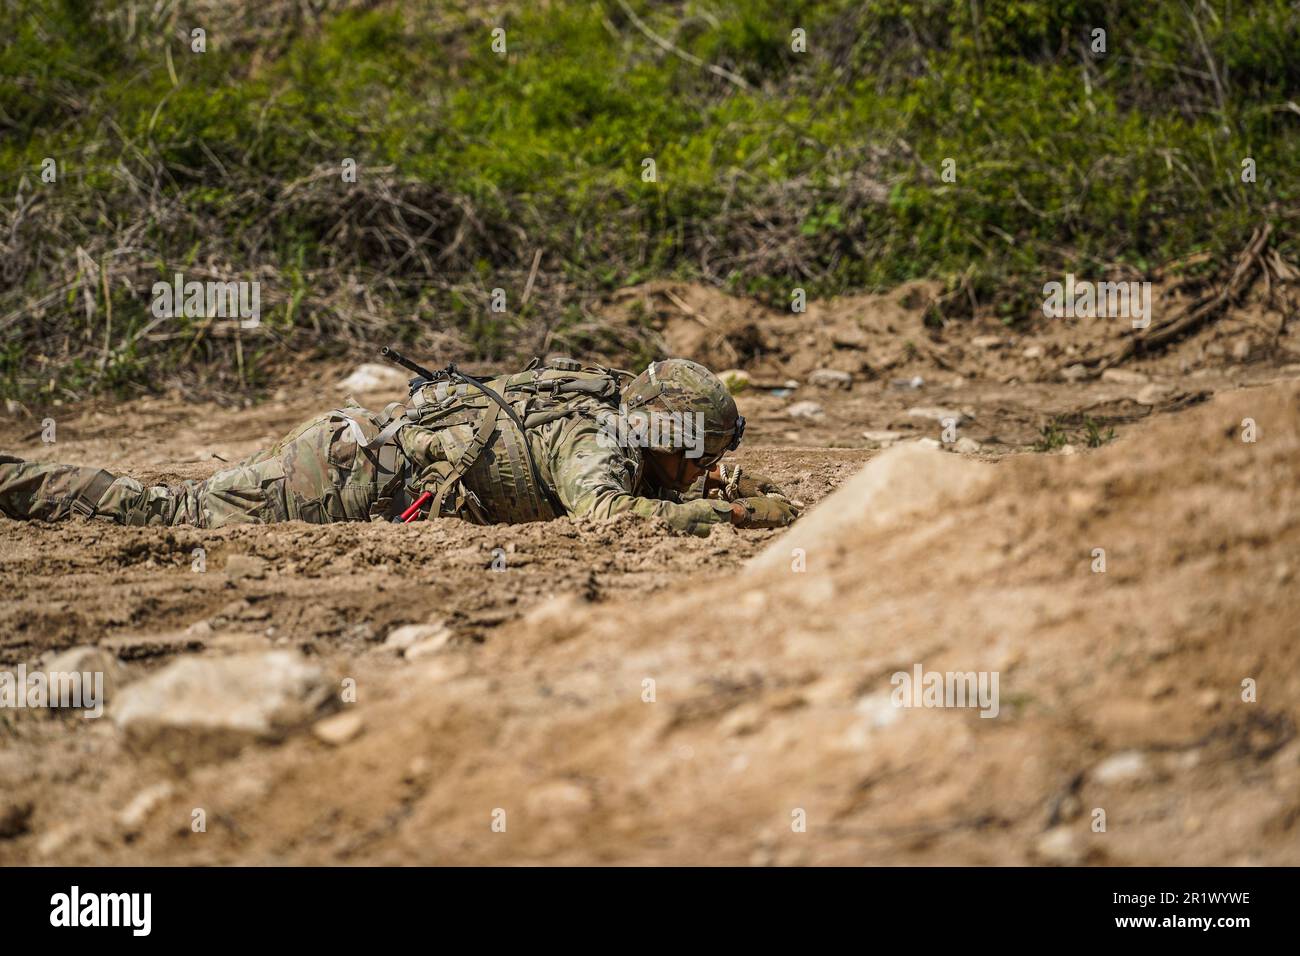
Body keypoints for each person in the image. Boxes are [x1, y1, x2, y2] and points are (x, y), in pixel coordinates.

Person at [0, 357, 800, 536]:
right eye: (698, 451)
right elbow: (611, 518)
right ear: (663, 433)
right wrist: (723, 521)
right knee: (164, 513)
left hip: (362, 459)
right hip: (336, 483)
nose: (703, 467)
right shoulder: (596, 440)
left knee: (167, 506)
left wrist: (722, 488)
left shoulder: (613, 420)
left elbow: (659, 491)